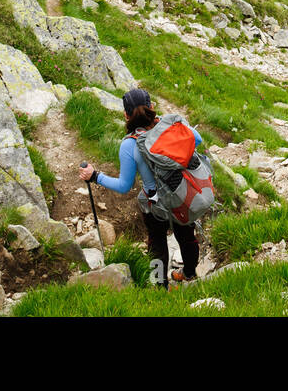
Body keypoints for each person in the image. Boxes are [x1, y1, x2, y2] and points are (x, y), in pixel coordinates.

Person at [78, 88, 203, 287]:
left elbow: (124, 186)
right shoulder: (169, 126)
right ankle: (189, 274)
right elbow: (197, 139)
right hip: (181, 194)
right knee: (186, 236)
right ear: (152, 107)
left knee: (157, 243)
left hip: (154, 204)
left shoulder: (129, 145)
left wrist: (95, 176)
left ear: (126, 115)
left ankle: (160, 287)